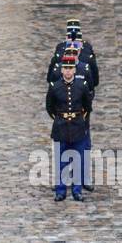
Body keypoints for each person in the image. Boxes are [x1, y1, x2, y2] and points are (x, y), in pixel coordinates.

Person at [46, 49, 92, 201]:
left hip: (78, 127)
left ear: (74, 69)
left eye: (70, 68)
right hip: (61, 128)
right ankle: (60, 191)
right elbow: (50, 108)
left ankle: (77, 190)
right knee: (61, 161)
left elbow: (87, 106)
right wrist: (61, 118)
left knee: (77, 160)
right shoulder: (54, 87)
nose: (68, 71)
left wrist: (78, 119)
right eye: (65, 68)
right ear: (61, 69)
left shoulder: (82, 86)